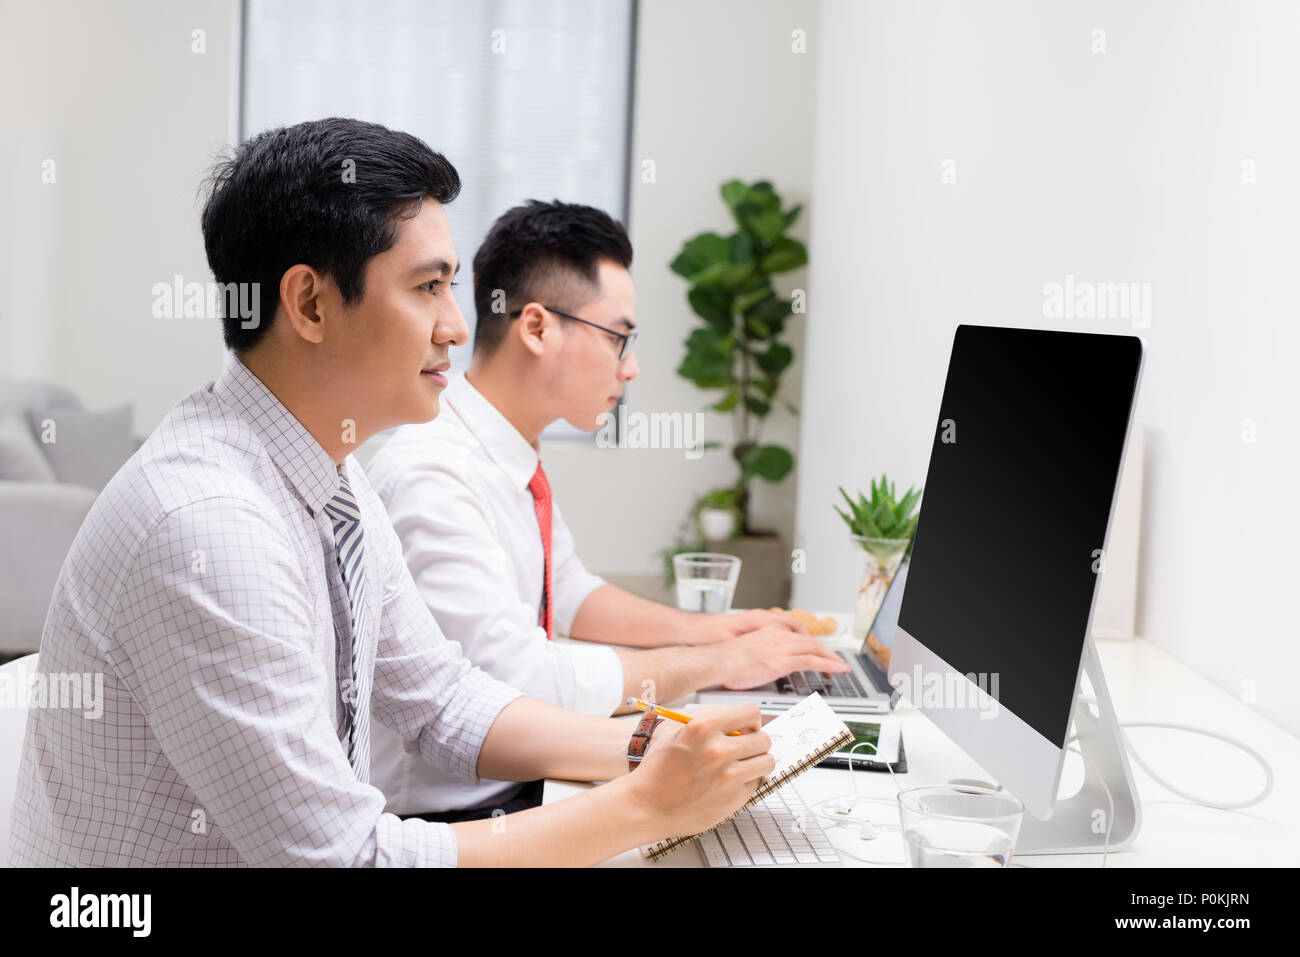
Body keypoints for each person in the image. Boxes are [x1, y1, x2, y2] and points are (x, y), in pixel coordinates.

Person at [6, 118, 776, 868]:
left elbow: (438, 697)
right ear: (308, 302)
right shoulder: (212, 527)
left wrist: (646, 747)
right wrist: (647, 803)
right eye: (427, 287)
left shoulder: (329, 474)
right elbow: (348, 857)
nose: (455, 327)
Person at [365, 199, 846, 821]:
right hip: (454, 814)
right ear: (536, 328)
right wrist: (719, 663)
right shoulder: (434, 473)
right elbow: (522, 681)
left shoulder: (506, 447)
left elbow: (568, 590)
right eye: (619, 337)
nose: (633, 366)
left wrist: (713, 630)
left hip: (521, 787)